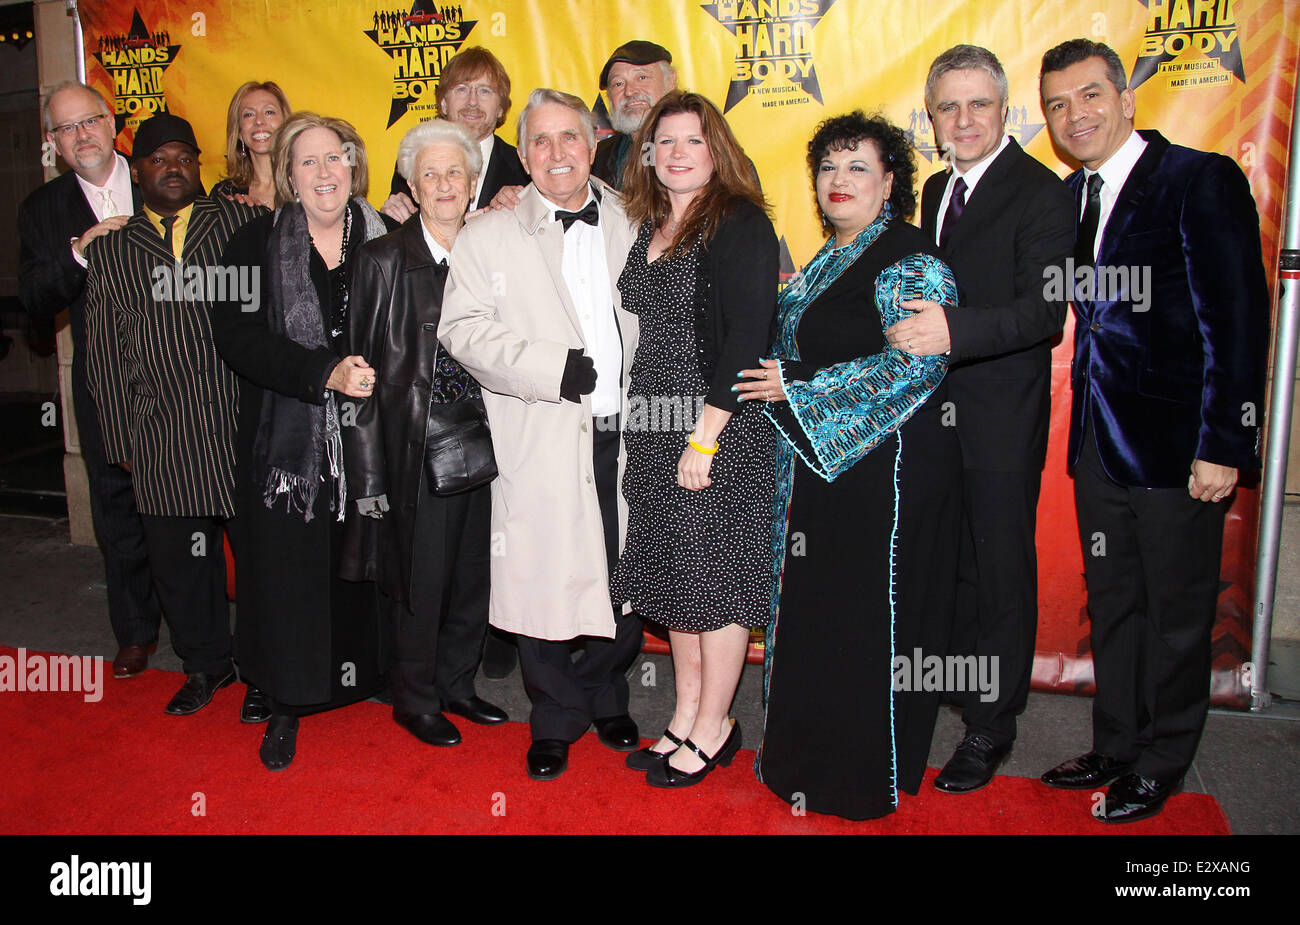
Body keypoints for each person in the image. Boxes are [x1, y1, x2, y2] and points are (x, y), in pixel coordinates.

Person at [1037, 40, 1269, 823]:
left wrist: (1224, 443)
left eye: (1091, 95)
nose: (1077, 115)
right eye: (1060, 105)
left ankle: (1165, 759)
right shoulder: (1071, 197)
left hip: (1180, 450)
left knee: (1176, 616)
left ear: (1127, 99)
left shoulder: (1199, 179)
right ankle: (1117, 743)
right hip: (1100, 447)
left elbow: (1236, 323)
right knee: (1117, 605)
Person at [741, 112, 962, 820]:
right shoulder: (828, 257)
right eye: (829, 168)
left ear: (890, 181)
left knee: (860, 621)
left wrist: (799, 383)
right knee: (812, 612)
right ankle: (800, 760)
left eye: (858, 167)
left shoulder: (909, 257)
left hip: (881, 478)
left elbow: (916, 361)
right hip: (817, 473)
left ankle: (853, 778)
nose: (840, 181)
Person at [884, 45, 1075, 793]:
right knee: (945, 566)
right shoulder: (934, 189)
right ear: (931, 117)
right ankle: (946, 690)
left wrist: (952, 331)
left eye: (978, 104)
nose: (963, 119)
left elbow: (1046, 311)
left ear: (1005, 111)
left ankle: (993, 724)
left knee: (997, 573)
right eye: (947, 107)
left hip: (999, 419)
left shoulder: (1042, 194)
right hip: (933, 417)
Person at [439, 89, 640, 781]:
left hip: (629, 428)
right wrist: (550, 369)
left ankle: (608, 696)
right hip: (542, 429)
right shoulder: (487, 233)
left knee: (625, 576)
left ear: (594, 142)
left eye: (571, 138)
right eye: (542, 142)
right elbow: (461, 329)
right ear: (522, 155)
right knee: (539, 577)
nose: (558, 153)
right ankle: (554, 715)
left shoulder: (635, 218)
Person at [211, 112, 395, 770]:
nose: (324, 171)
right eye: (308, 160)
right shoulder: (253, 241)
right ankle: (285, 696)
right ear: (287, 175)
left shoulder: (385, 238)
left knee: (358, 559)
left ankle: (362, 675)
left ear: (355, 165)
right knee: (289, 569)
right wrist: (323, 374)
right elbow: (237, 338)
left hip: (367, 439)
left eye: (336, 157)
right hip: (285, 441)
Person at [611, 90, 777, 787]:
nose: (678, 154)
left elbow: (745, 337)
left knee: (715, 582)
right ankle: (682, 716)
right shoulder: (648, 220)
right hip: (652, 427)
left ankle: (716, 727)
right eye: (665, 142)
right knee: (677, 578)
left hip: (717, 428)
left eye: (692, 141)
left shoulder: (739, 223)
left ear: (718, 150)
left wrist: (705, 436)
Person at [83, 112, 261, 716]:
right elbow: (104, 353)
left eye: (185, 157)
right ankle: (206, 664)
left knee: (262, 560)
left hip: (240, 422)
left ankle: (265, 670)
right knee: (184, 566)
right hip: (163, 433)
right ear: (137, 172)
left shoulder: (240, 221)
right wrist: (121, 437)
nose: (174, 168)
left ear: (199, 166)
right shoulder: (114, 250)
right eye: (159, 159)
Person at [343, 119, 507, 749]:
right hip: (415, 448)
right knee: (422, 578)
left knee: (475, 573)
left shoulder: (495, 252)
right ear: (411, 185)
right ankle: (414, 697)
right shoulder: (381, 260)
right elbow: (359, 375)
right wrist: (369, 475)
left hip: (493, 443)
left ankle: (458, 685)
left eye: (455, 173)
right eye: (430, 173)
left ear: (474, 184)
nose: (444, 184)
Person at [17, 81, 161, 681]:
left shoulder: (163, 173)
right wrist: (80, 252)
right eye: (67, 129)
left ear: (112, 123)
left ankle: (208, 625)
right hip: (103, 380)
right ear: (53, 142)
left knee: (192, 502)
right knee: (114, 502)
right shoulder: (42, 209)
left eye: (90, 121)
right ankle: (135, 631)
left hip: (182, 372)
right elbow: (32, 297)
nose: (83, 136)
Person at [381, 47, 528, 226]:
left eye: (484, 91)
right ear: (443, 103)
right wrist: (389, 220)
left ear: (500, 108)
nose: (472, 102)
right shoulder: (414, 162)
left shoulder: (525, 169)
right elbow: (404, 240)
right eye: (461, 89)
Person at [210, 80, 291, 208]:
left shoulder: (307, 183)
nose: (259, 121)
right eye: (249, 114)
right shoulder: (225, 194)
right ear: (239, 132)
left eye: (269, 112)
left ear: (286, 123)